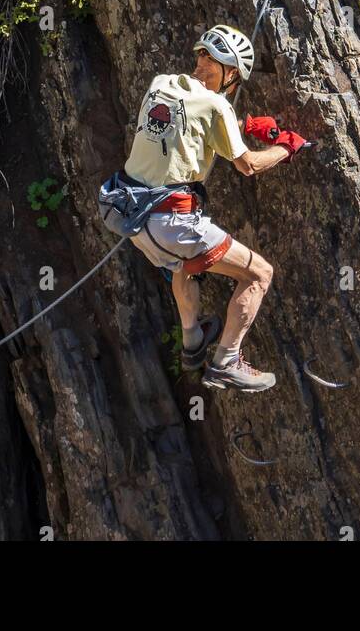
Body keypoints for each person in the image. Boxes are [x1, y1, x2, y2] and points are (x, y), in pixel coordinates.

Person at [99, 25, 308, 392]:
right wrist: (286, 147)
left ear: (203, 58)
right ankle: (226, 361)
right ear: (231, 73)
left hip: (134, 220)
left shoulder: (160, 85)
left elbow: (186, 123)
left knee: (184, 265)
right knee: (259, 274)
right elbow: (248, 166)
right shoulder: (217, 105)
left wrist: (242, 124)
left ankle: (193, 342)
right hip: (173, 221)